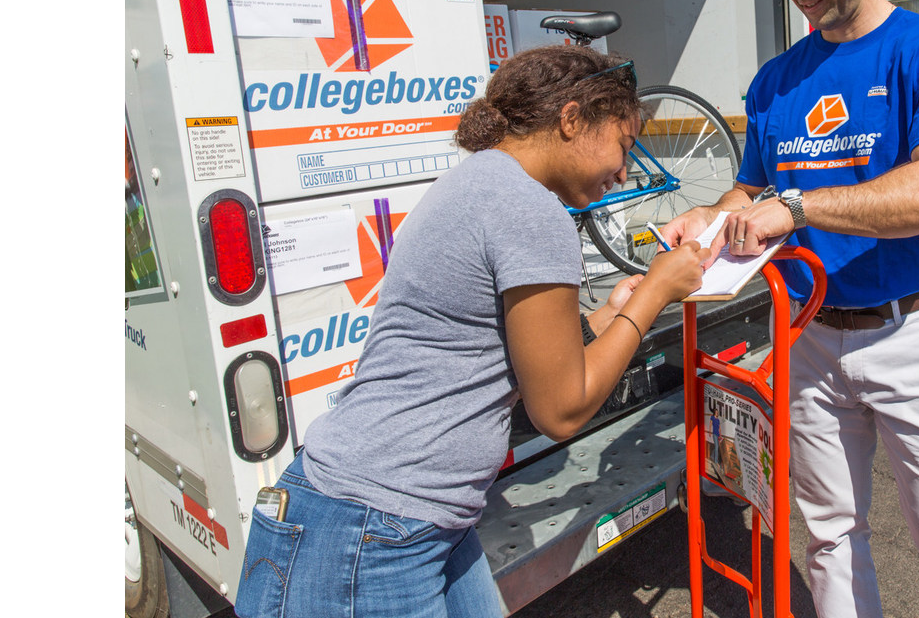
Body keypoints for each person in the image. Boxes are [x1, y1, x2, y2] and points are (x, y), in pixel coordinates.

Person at [234, 45, 709, 618]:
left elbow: (481, 343)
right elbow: (560, 411)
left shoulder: (484, 182)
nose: (624, 171)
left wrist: (604, 321)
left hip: (404, 518)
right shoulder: (529, 210)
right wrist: (656, 290)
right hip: (370, 530)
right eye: (622, 146)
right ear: (572, 119)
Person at [661, 0, 919, 618]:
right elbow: (750, 189)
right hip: (809, 338)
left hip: (915, 333)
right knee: (828, 538)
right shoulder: (778, 79)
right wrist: (711, 219)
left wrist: (799, 205)